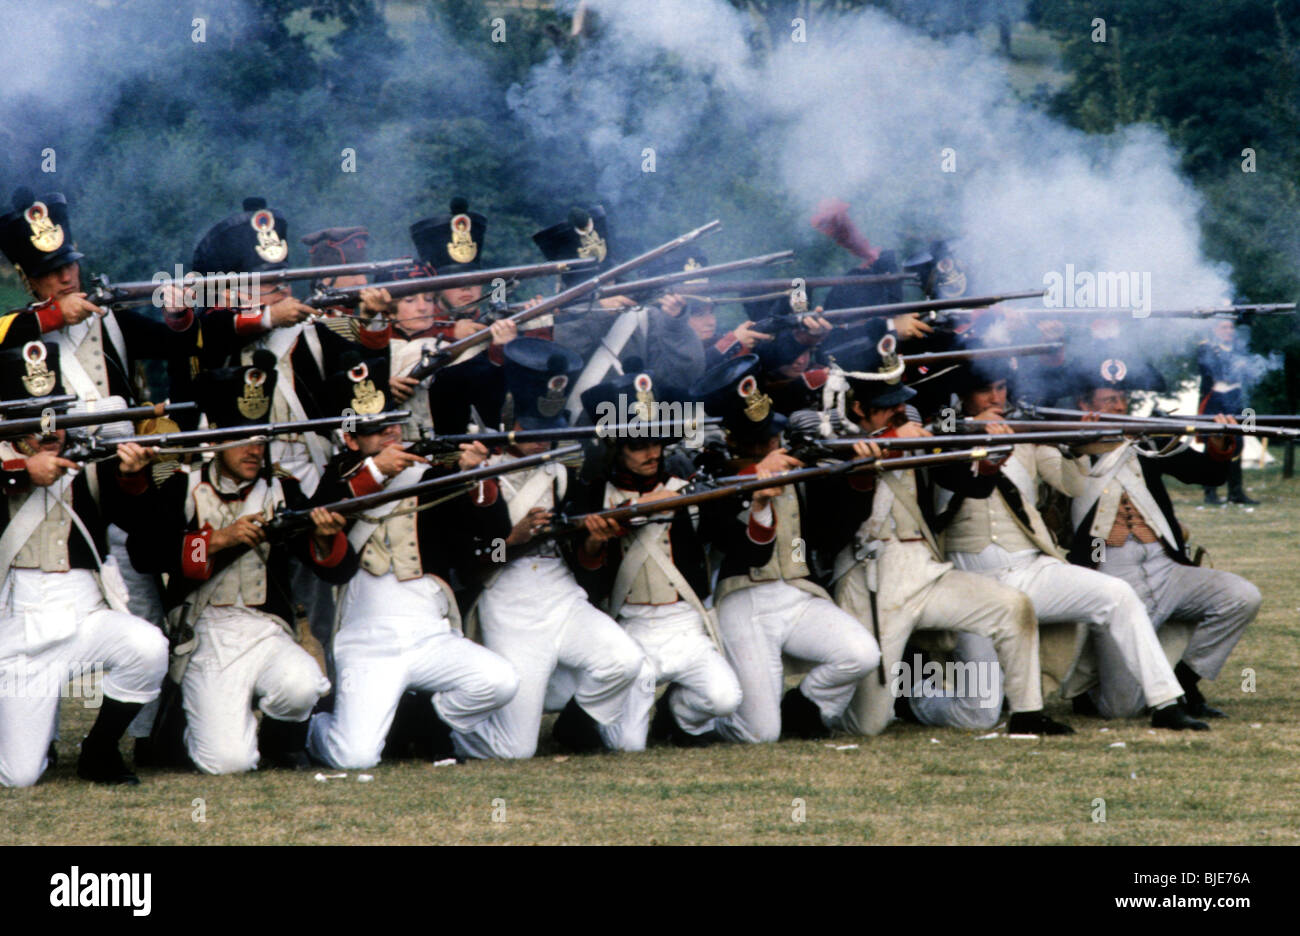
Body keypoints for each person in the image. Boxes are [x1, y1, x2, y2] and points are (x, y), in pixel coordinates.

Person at [921, 351, 1210, 731]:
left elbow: (1072, 484)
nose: (996, 398)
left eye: (1001, 388)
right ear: (963, 397)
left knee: (1118, 595)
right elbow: (949, 471)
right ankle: (917, 701)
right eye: (985, 391)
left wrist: (1077, 447)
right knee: (980, 714)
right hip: (969, 579)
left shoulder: (1028, 434)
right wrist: (975, 431)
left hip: (1027, 565)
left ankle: (1166, 703)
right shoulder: (942, 432)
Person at [812, 335, 1070, 737]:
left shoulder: (913, 434)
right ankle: (810, 709)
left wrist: (991, 455)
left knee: (1012, 606)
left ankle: (1027, 713)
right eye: (886, 406)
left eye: (900, 402)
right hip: (870, 581)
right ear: (858, 407)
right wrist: (871, 464)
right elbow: (827, 535)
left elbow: (970, 483)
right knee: (867, 725)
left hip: (925, 569)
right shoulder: (830, 445)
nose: (899, 411)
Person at [127, 351, 355, 774]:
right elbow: (144, 553)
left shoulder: (284, 490)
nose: (254, 448)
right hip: (205, 629)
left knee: (303, 686)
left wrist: (325, 537)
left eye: (261, 437)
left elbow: (333, 568)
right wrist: (214, 542)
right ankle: (183, 727)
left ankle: (281, 744)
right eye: (243, 437)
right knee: (228, 762)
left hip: (267, 627)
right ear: (215, 437)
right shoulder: (180, 486)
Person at [305, 352, 518, 768]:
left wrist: (474, 476)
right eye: (376, 431)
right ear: (350, 440)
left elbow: (492, 533)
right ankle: (311, 727)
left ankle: (425, 722)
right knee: (355, 757)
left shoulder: (428, 470)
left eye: (394, 425)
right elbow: (323, 551)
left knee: (500, 681)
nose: (391, 436)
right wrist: (375, 473)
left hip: (429, 630)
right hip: (366, 639)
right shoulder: (338, 481)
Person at [451, 338, 654, 759]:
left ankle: (575, 729)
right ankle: (443, 725)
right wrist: (511, 542)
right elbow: (467, 567)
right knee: (515, 750)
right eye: (531, 429)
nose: (544, 439)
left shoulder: (563, 473)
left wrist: (595, 542)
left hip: (562, 596)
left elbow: (582, 550)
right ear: (507, 421)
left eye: (550, 428)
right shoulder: (479, 478)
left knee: (624, 661)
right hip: (510, 606)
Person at [688, 354, 881, 743]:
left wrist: (860, 480)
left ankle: (805, 708)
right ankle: (692, 717)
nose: (771, 446)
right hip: (742, 598)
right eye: (759, 442)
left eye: (773, 437)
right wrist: (755, 491)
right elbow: (738, 547)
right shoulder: (713, 483)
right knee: (760, 733)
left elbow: (829, 534)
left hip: (796, 589)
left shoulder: (796, 470)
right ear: (731, 440)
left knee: (862, 653)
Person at [0, 341, 168, 786]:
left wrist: (133, 478)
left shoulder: (89, 456)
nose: (49, 425)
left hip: (84, 613)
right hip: (14, 627)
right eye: (33, 413)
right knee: (19, 775)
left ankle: (101, 748)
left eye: (57, 410)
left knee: (147, 647)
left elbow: (148, 535)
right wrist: (19, 474)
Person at [1064, 353, 1261, 721]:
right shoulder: (1064, 447)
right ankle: (1090, 692)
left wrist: (1220, 444)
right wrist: (1082, 441)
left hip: (1164, 564)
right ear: (1083, 405)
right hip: (1110, 570)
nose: (1120, 407)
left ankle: (1184, 683)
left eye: (1122, 399)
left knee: (1241, 596)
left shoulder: (1148, 440)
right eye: (1109, 401)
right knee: (1122, 708)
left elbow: (1208, 474)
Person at [570, 371, 742, 747]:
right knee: (627, 745)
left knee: (725, 698)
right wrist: (594, 546)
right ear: (616, 448)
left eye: (657, 443)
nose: (652, 453)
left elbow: (742, 546)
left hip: (684, 623)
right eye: (639, 445)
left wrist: (755, 495)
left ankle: (676, 717)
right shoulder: (592, 499)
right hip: (630, 625)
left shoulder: (687, 491)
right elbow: (586, 586)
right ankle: (581, 719)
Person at [1198, 318, 1260, 505]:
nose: (1229, 331)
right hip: (1216, 398)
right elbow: (1214, 372)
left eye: (1231, 327)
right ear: (1216, 330)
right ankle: (1210, 493)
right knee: (1212, 445)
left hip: (1236, 398)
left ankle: (1236, 492)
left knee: (1238, 443)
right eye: (1224, 327)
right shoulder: (1207, 349)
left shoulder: (1239, 350)